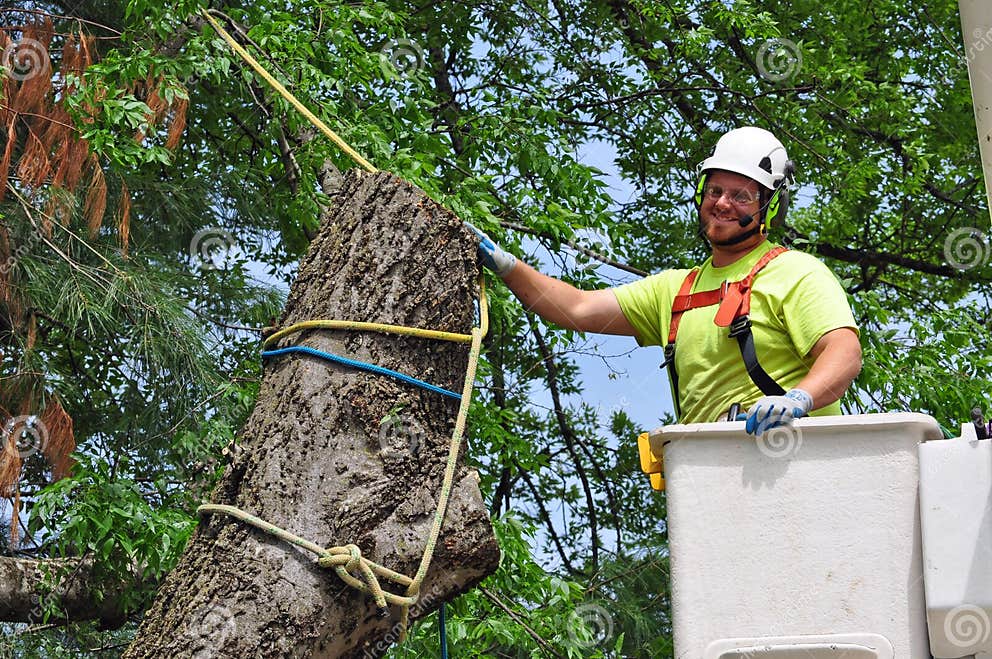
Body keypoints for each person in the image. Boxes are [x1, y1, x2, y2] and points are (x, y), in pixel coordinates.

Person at [469, 127, 862, 436]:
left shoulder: (795, 273)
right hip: (712, 463)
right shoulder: (675, 290)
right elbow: (575, 308)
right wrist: (505, 265)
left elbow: (843, 351)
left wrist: (798, 400)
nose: (722, 203)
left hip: (797, 455)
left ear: (768, 206)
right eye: (715, 190)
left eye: (741, 195)